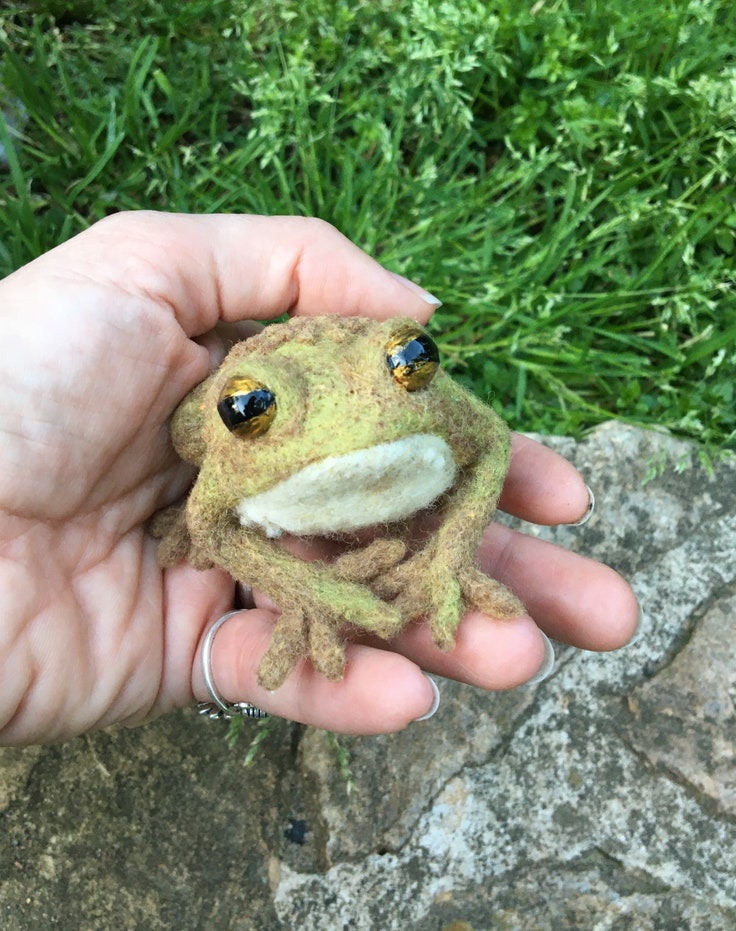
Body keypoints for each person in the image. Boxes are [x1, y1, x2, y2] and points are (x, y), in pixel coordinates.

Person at [0, 211, 639, 746]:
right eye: (246, 410)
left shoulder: (430, 406)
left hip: (393, 409)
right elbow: (208, 524)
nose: (350, 427)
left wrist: (448, 552)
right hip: (263, 441)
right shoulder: (227, 451)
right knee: (195, 427)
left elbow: (493, 441)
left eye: (413, 362)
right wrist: (304, 585)